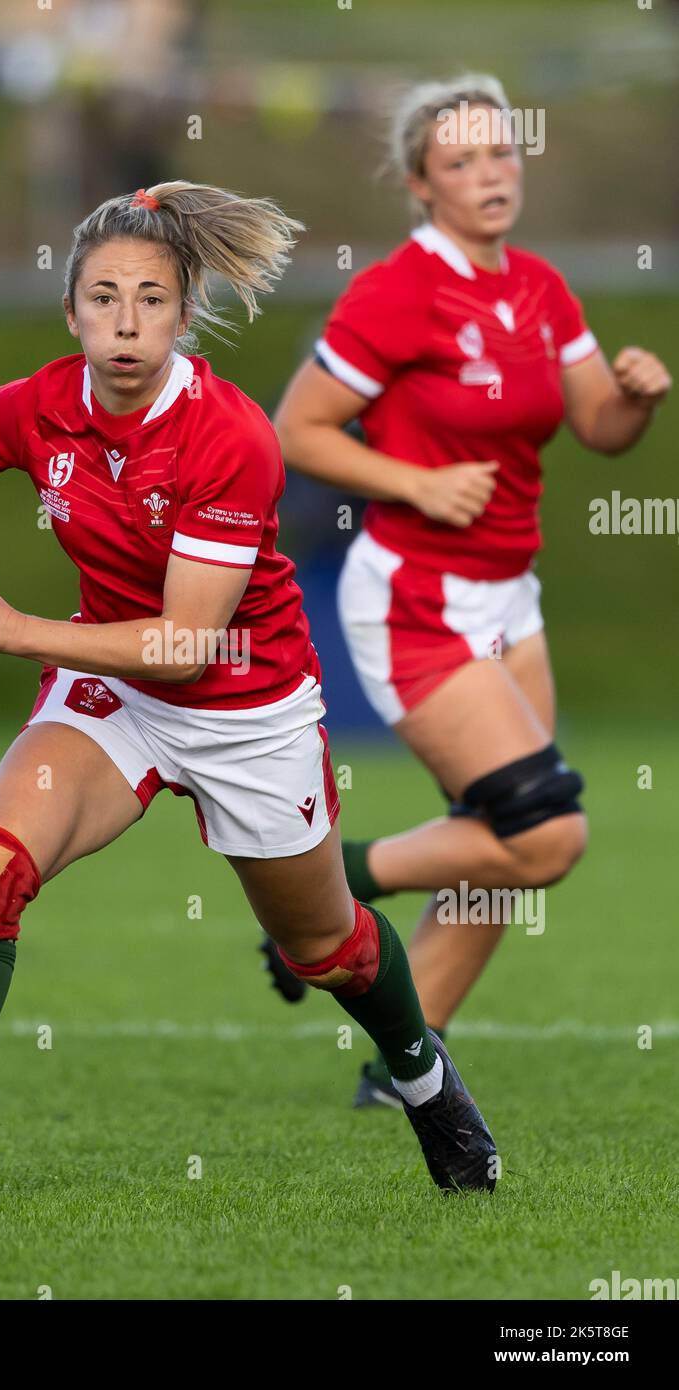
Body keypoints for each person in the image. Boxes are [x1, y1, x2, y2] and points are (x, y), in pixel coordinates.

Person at [0, 181, 497, 1215]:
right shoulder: (37, 406)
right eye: (105, 298)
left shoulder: (228, 436)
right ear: (71, 311)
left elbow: (184, 643)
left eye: (152, 300)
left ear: (182, 310)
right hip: (105, 686)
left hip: (243, 703)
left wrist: (7, 627)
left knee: (326, 948)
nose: (127, 322)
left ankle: (425, 1077)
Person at [265, 77, 671, 1107]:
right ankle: (336, 878)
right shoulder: (397, 291)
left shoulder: (537, 285)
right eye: (461, 162)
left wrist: (635, 398)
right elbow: (292, 431)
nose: (489, 176)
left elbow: (599, 430)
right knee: (540, 834)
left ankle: (408, 1065)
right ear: (418, 184)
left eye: (501, 155)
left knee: (491, 834)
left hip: (507, 593)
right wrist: (415, 481)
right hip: (417, 597)